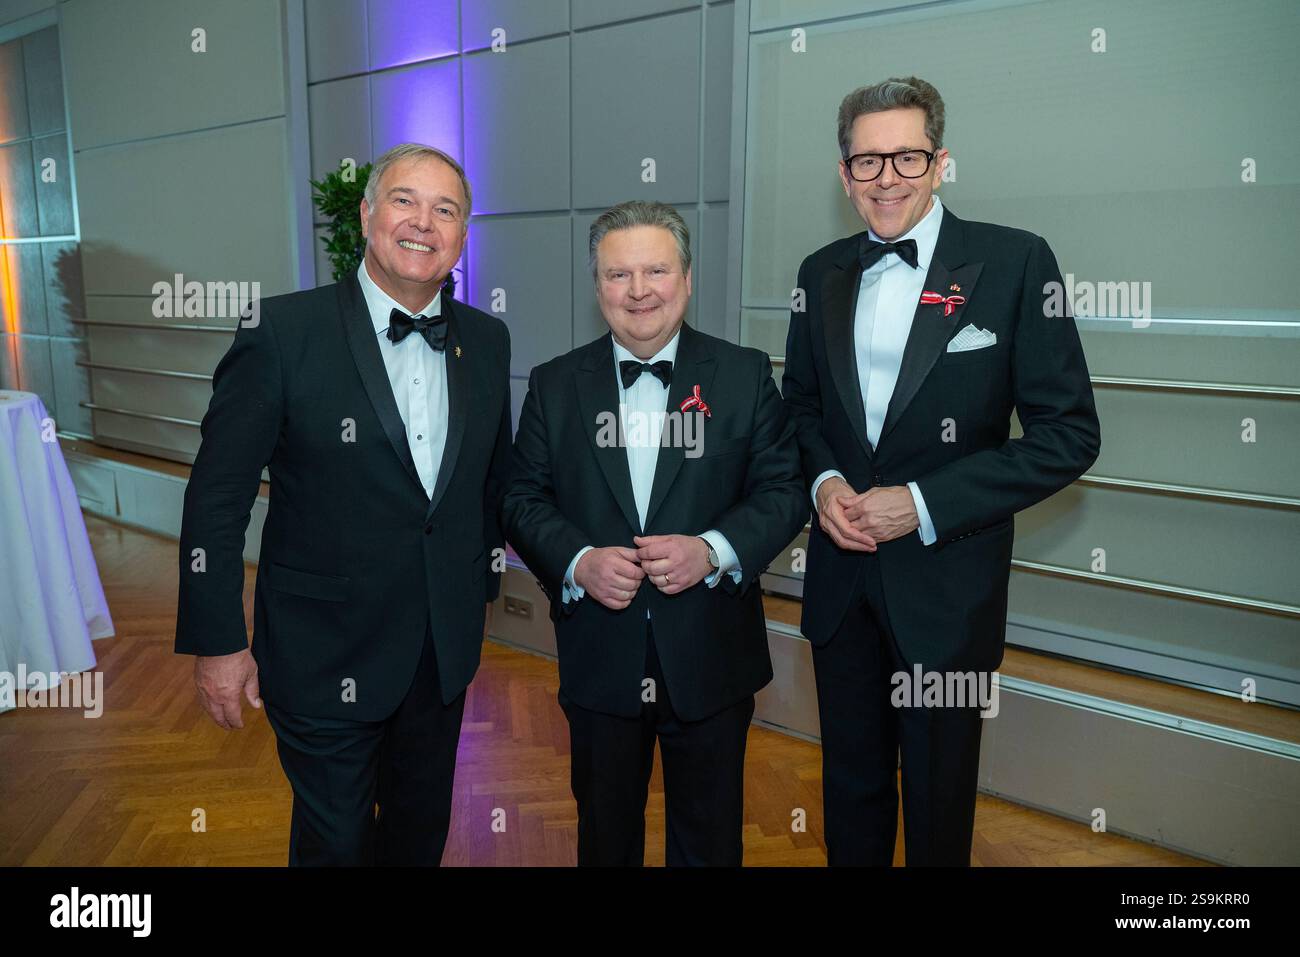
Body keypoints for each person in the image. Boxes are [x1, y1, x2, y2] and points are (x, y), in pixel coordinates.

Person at [781, 77, 1101, 865]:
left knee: (938, 800)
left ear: (941, 161)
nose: (886, 176)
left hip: (949, 588)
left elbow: (1069, 434)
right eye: (866, 160)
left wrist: (920, 502)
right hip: (841, 583)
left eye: (907, 156)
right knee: (850, 790)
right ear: (844, 171)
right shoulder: (818, 271)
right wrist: (823, 485)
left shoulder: (1017, 261)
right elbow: (801, 412)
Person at [175, 143, 512, 866]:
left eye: (445, 209)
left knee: (419, 837)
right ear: (366, 215)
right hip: (320, 649)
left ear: (462, 235)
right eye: (404, 200)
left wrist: (487, 587)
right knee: (337, 843)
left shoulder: (486, 341)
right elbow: (218, 493)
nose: (423, 221)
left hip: (439, 654)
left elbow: (490, 483)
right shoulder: (282, 332)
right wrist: (219, 640)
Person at [503, 201, 807, 866]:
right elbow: (520, 496)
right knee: (605, 837)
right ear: (596, 287)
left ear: (688, 280)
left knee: (710, 839)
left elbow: (784, 491)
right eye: (617, 274)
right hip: (600, 656)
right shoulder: (556, 385)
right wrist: (578, 561)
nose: (637, 290)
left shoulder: (745, 374)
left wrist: (713, 550)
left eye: (655, 270)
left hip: (711, 654)